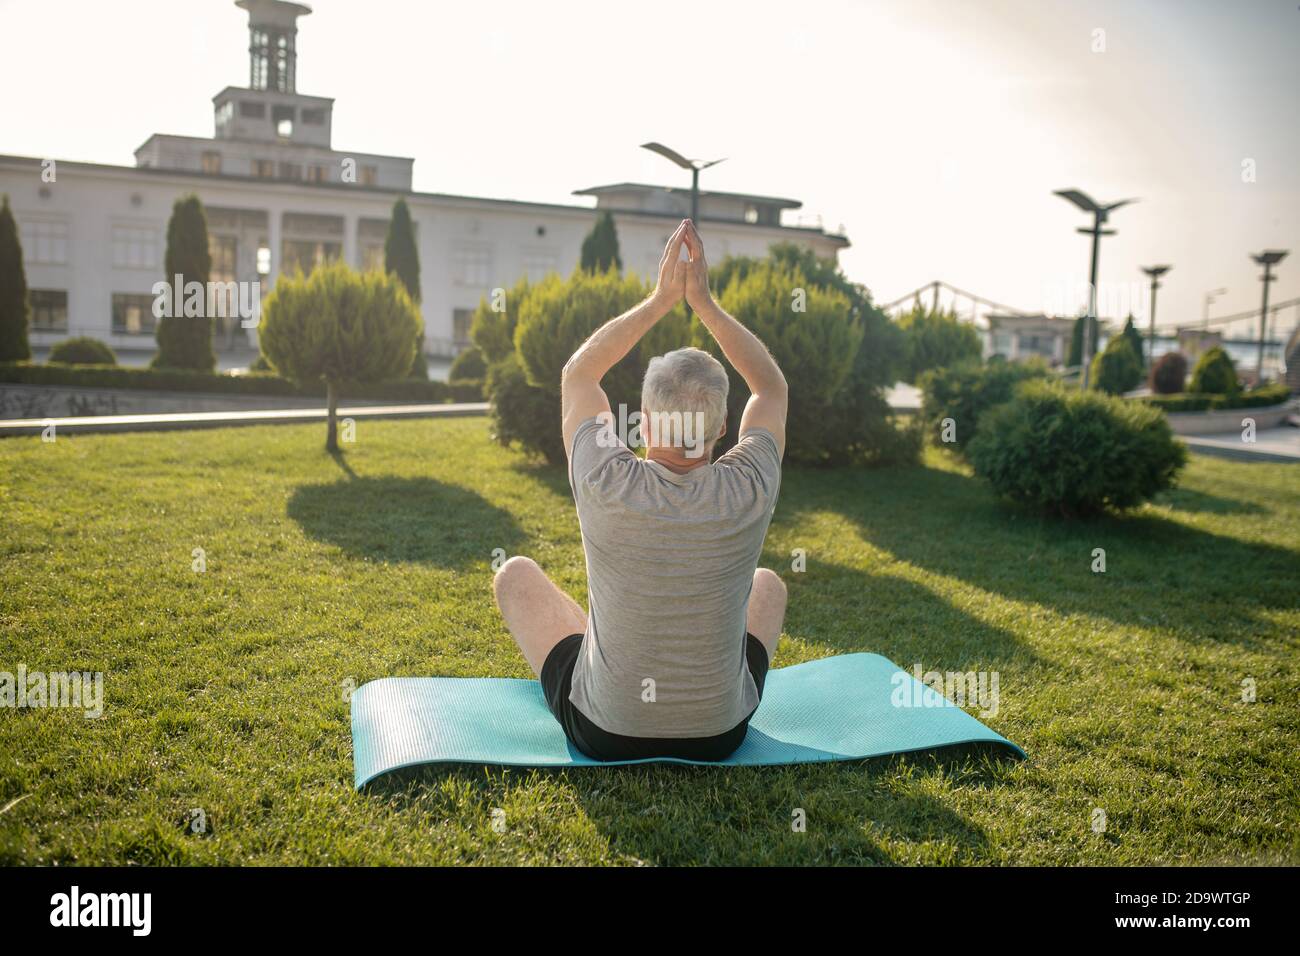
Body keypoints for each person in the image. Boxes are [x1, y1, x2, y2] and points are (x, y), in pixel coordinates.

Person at [492, 219, 788, 761]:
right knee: (769, 585)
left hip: (605, 730)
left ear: (644, 427)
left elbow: (580, 375)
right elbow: (770, 386)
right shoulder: (749, 484)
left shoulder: (607, 478)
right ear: (722, 428)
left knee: (515, 575)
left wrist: (660, 299)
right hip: (721, 735)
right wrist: (704, 303)